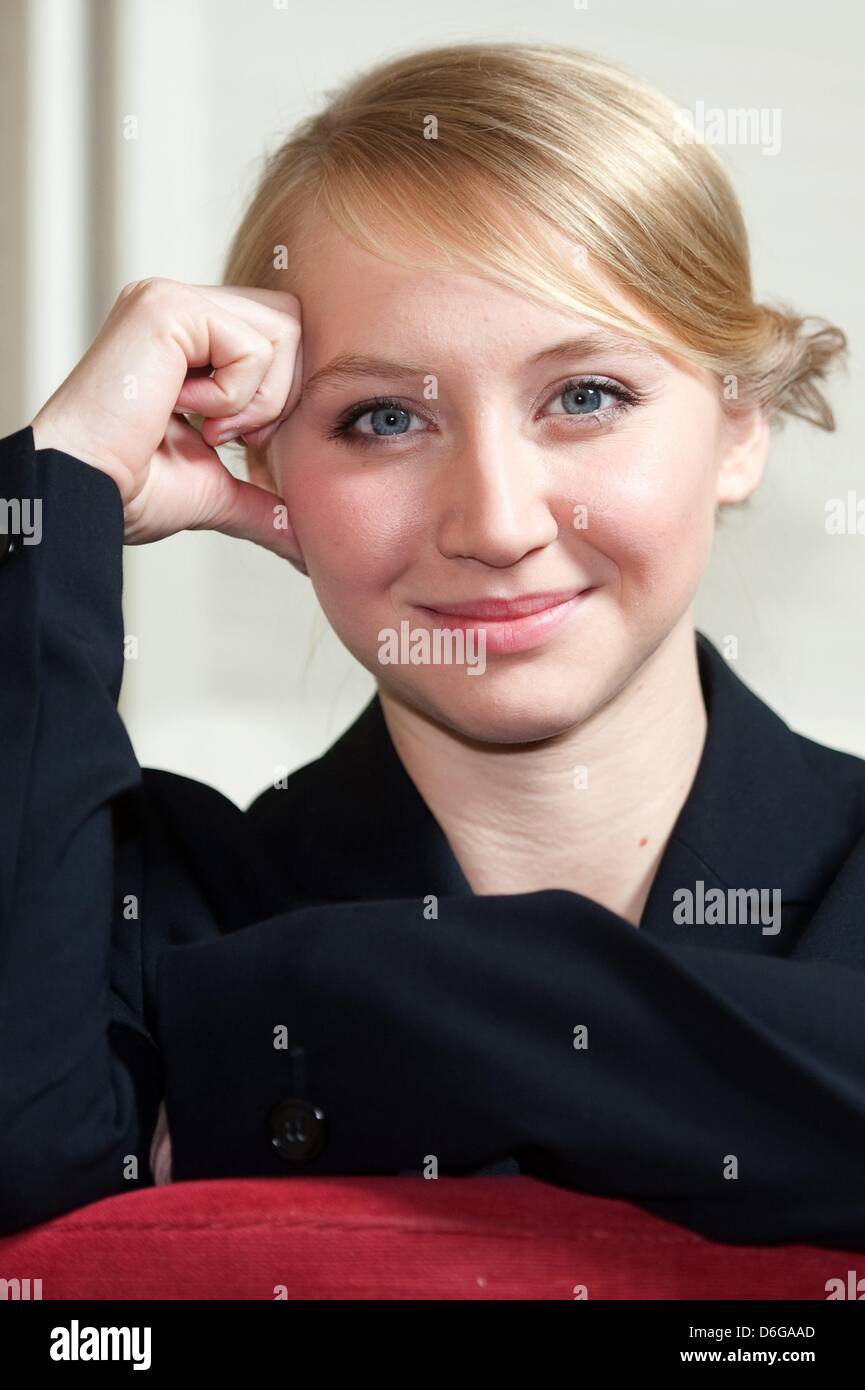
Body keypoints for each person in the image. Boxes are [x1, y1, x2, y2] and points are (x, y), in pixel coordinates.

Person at [1, 40, 863, 1249]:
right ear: (267, 471)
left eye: (586, 397)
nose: (497, 523)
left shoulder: (218, 984)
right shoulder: (152, 902)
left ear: (737, 428)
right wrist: (60, 490)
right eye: (385, 418)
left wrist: (312, 1010)